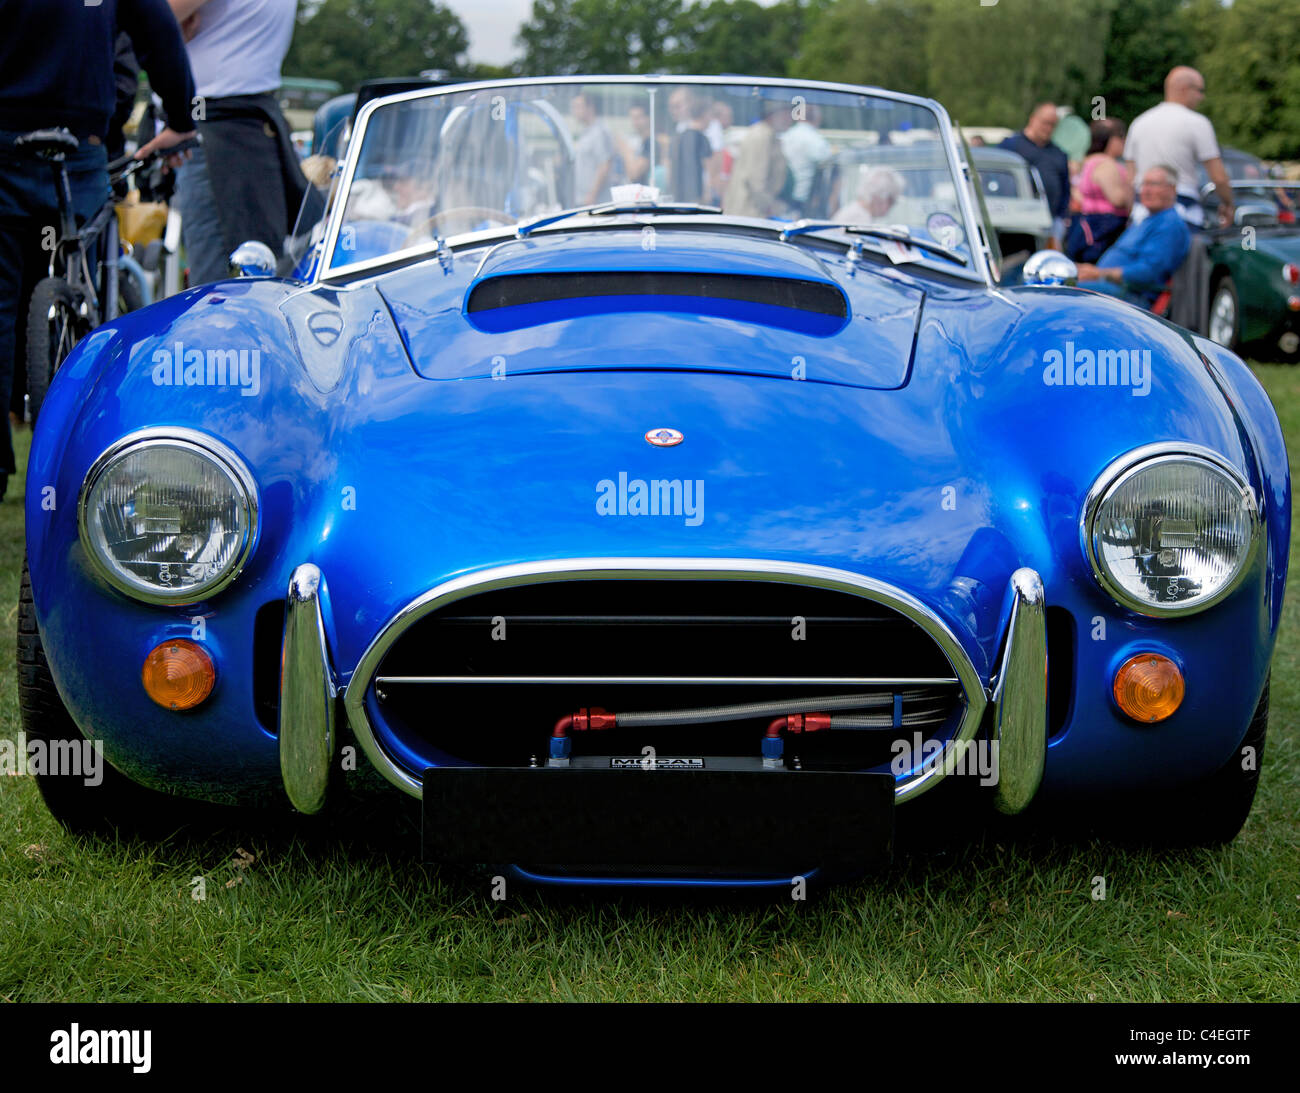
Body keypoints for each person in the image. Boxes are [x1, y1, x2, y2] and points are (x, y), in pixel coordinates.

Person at [0, 0, 196, 502]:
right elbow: (159, 32)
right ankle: (84, 453)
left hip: (6, 134)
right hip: (80, 140)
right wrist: (180, 113)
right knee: (86, 292)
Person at [169, 0, 307, 285]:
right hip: (234, 123)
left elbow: (154, 15)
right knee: (249, 280)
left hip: (223, 129)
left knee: (221, 292)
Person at [1124, 66, 1233, 229]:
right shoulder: (1198, 123)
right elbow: (1218, 177)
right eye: (1199, 90)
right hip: (1183, 210)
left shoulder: (1139, 122)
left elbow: (1131, 177)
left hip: (1142, 213)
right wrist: (1228, 203)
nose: (1201, 97)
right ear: (1184, 89)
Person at [1075, 165, 1191, 309]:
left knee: (1066, 291)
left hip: (1132, 298)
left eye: (1153, 184)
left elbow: (1148, 272)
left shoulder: (1169, 224)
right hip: (1110, 288)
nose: (1146, 190)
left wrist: (1099, 274)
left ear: (1172, 189)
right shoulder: (1146, 219)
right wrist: (1088, 271)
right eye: (1144, 184)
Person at [1000, 103, 1071, 248]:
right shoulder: (1010, 146)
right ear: (1033, 119)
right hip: (1013, 225)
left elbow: (1065, 189)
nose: (1048, 128)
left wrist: (1061, 219)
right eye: (1045, 123)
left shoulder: (1058, 153)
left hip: (1048, 224)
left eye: (1053, 125)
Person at [1065, 118, 1133, 263]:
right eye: (1121, 137)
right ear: (1111, 140)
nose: (1125, 141)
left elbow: (1076, 191)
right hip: (1106, 228)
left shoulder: (1087, 161)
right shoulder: (1106, 164)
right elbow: (1117, 199)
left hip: (1085, 224)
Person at [723, 102, 791, 219]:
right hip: (749, 213)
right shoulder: (761, 136)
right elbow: (756, 181)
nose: (790, 119)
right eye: (787, 114)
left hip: (753, 211)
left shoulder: (768, 135)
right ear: (775, 114)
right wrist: (770, 207)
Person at [780, 104, 831, 214]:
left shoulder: (785, 136)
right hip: (803, 202)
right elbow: (830, 166)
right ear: (817, 118)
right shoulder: (817, 141)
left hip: (782, 198)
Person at [570, 92, 618, 205]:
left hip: (596, 202)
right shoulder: (586, 133)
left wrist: (592, 195)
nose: (574, 111)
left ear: (590, 108)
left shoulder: (599, 132)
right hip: (584, 200)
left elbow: (605, 164)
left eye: (578, 107)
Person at [668, 88, 712, 203]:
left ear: (690, 105)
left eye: (678, 106)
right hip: (682, 198)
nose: (673, 111)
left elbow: (709, 172)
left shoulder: (700, 135)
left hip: (694, 199)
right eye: (672, 107)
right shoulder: (677, 135)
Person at [833, 166, 904, 225]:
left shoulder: (858, 212)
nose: (891, 207)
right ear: (880, 197)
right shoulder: (859, 220)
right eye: (891, 201)